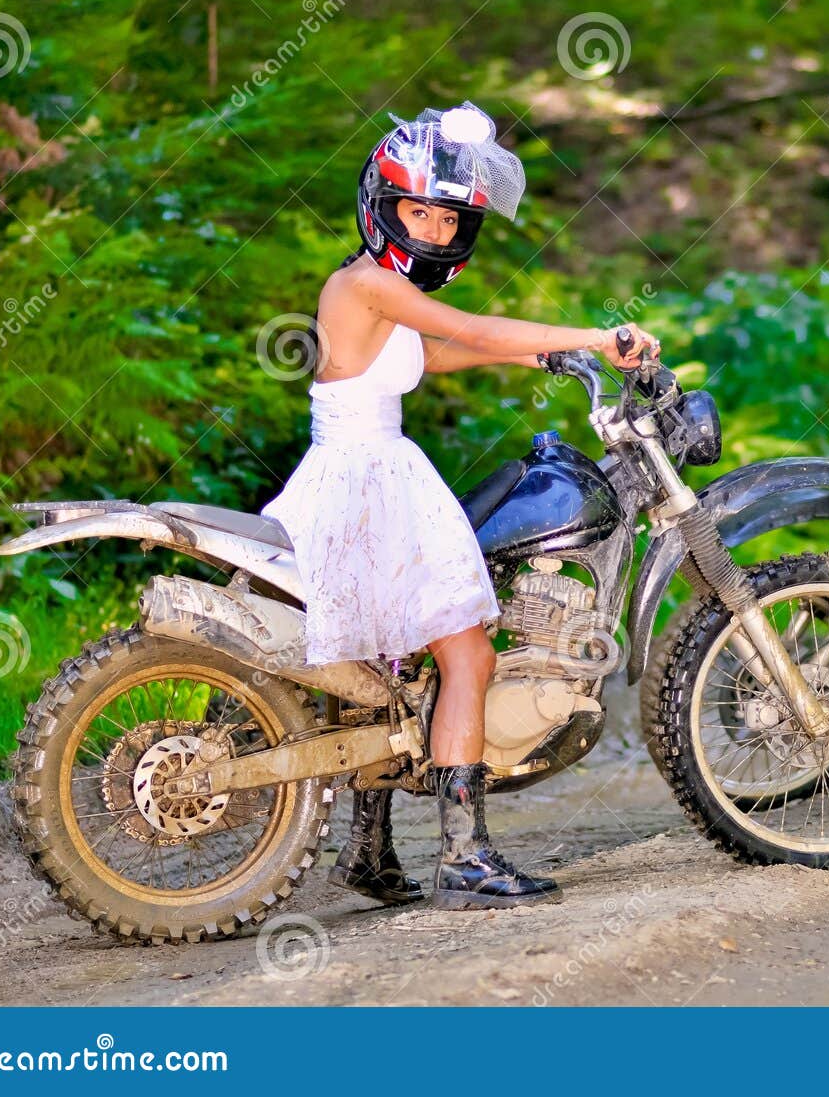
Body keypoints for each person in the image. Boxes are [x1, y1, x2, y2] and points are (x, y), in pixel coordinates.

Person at [259, 102, 659, 907]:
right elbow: (472, 329)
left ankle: (369, 851)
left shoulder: (371, 290)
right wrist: (592, 337)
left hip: (362, 474)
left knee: (383, 667)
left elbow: (430, 354)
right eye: (419, 213)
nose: (435, 232)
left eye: (449, 219)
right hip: (371, 481)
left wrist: (541, 354)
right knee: (467, 655)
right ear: (383, 205)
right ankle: (464, 855)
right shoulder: (369, 282)